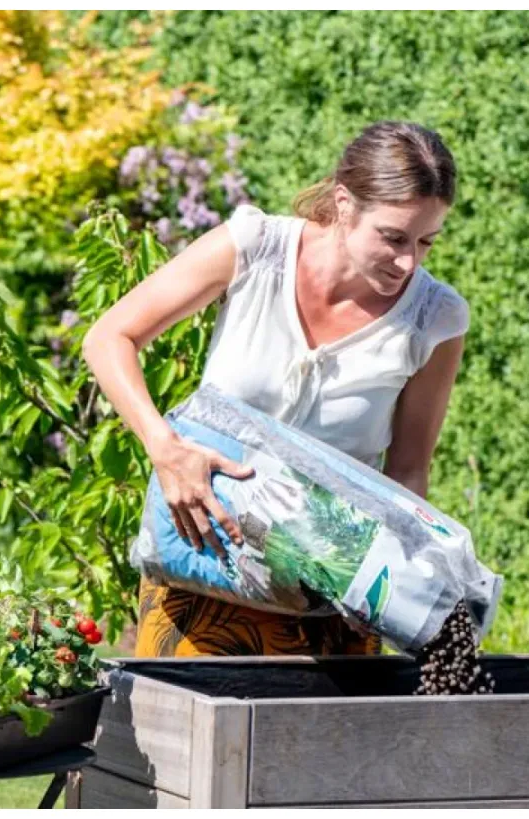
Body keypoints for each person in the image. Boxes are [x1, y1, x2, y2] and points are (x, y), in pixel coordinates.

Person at [82, 121, 470, 657]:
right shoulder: (254, 248)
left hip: (327, 605)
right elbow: (109, 337)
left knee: (316, 742)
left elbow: (408, 472)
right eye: (393, 237)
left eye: (427, 241)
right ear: (343, 204)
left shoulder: (434, 318)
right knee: (177, 735)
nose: (410, 262)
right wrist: (164, 448)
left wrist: (394, 583)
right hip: (198, 568)